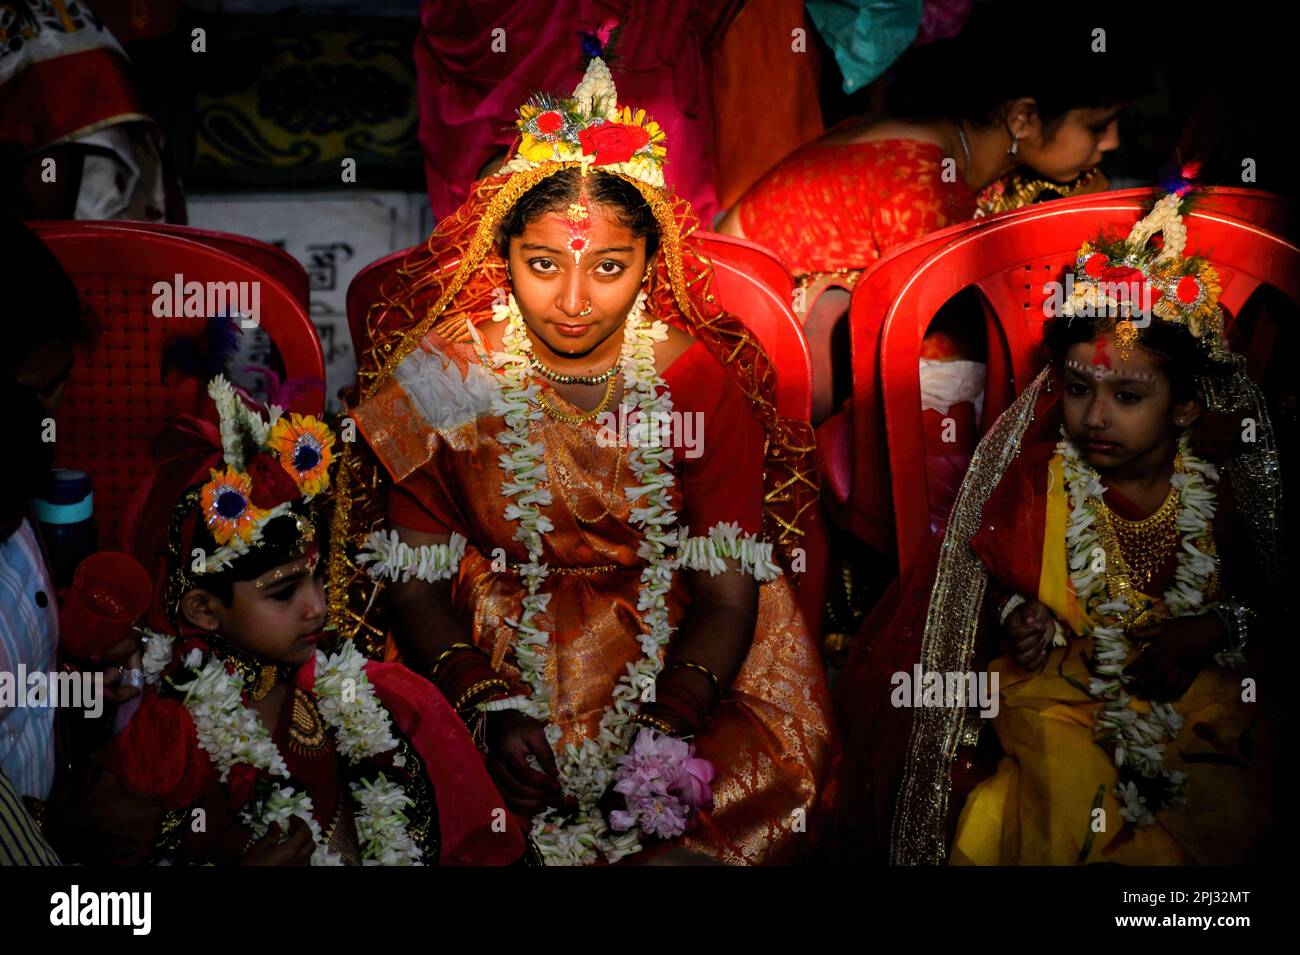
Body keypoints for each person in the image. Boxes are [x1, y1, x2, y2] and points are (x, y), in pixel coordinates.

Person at [331, 55, 834, 865]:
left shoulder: (696, 377)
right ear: (504, 258)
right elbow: (411, 577)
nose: (571, 301)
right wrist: (483, 700)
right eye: (542, 264)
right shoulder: (445, 374)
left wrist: (668, 723)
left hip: (687, 645)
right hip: (484, 636)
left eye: (608, 268)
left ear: (650, 263)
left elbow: (730, 589)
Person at [830, 184, 1280, 864]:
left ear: (1186, 406)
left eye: (1127, 396)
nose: (1095, 416)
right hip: (1061, 696)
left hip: (1196, 695)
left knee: (1230, 800)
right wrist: (1020, 612)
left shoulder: (1219, 485)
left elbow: (1268, 595)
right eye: (1077, 390)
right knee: (1067, 796)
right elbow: (985, 590)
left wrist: (1216, 625)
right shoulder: (1043, 481)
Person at [96, 377, 524, 865]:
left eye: (317, 577)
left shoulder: (373, 693)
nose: (317, 606)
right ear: (203, 610)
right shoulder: (171, 731)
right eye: (283, 592)